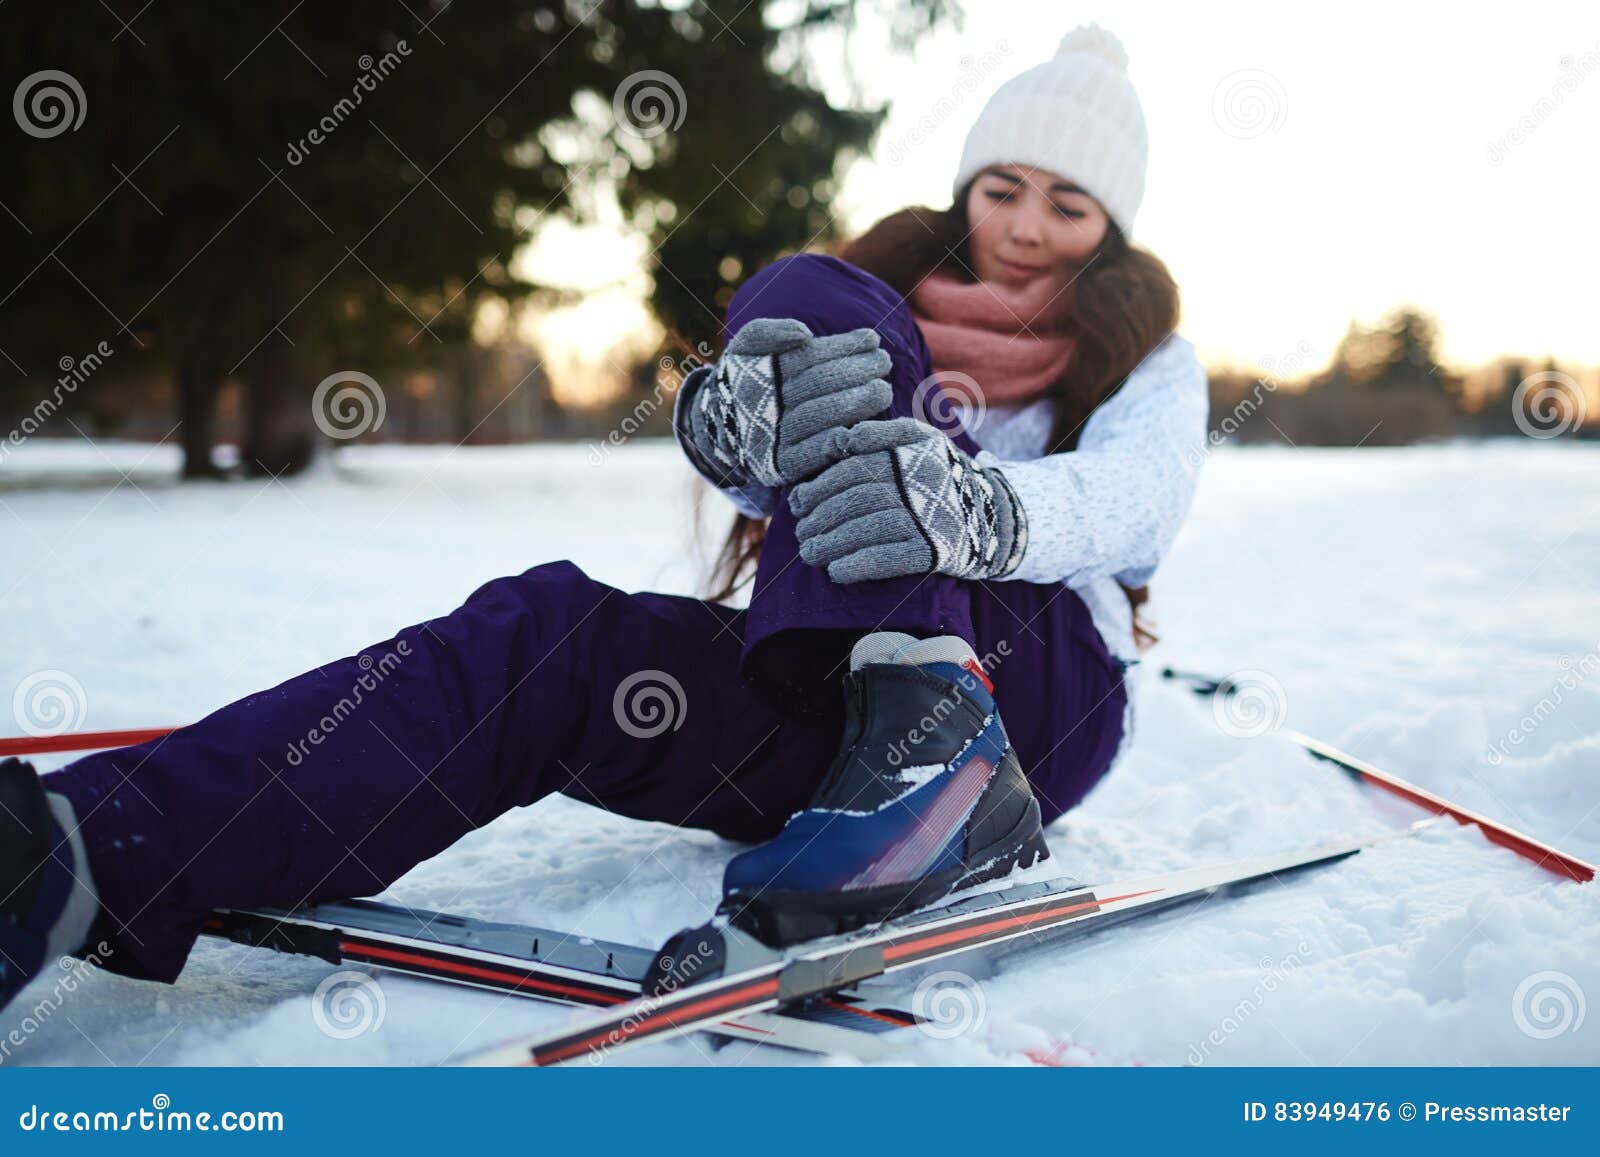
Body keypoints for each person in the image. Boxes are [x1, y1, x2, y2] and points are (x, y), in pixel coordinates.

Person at [1, 24, 1207, 1008]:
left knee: (822, 316)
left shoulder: (1148, 354)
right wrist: (737, 437)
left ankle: (936, 753)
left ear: (1112, 228)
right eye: (1003, 188)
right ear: (967, 190)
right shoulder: (878, 302)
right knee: (557, 633)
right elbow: (786, 488)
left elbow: (1133, 500)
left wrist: (974, 510)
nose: (1026, 227)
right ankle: (76, 856)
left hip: (1035, 690)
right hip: (835, 701)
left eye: (1067, 205)